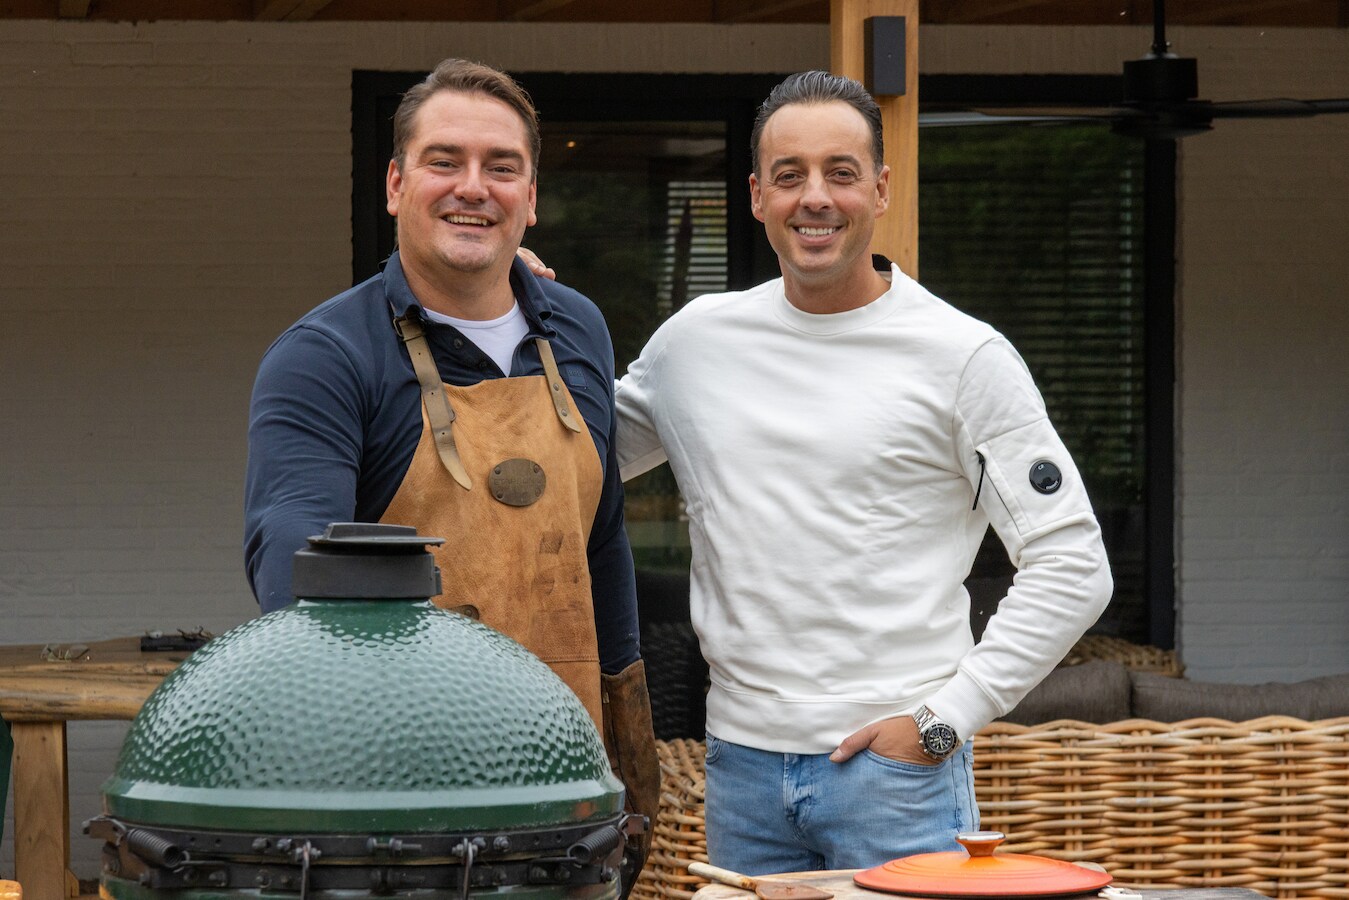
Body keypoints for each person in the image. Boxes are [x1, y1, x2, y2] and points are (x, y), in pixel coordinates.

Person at [613, 72, 1113, 874]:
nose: (814, 197)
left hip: (897, 781)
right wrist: (507, 299)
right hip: (740, 771)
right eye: (789, 175)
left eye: (839, 173)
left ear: (879, 189)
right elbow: (567, 459)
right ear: (756, 196)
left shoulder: (962, 357)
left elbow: (1073, 564)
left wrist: (943, 722)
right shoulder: (694, 346)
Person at [243, 58, 657, 892]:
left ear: (530, 197)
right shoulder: (327, 356)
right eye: (444, 161)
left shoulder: (578, 329)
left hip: (569, 790)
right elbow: (293, 568)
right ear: (396, 184)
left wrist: (628, 747)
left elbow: (601, 544)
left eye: (501, 167)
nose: (473, 187)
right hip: (396, 802)